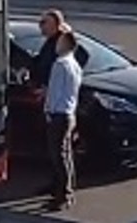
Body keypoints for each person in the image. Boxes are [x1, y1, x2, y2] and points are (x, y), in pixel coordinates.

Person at [45, 29, 83, 211]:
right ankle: (68, 190)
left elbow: (54, 91)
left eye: (59, 41)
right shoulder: (75, 65)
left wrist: (48, 110)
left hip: (58, 114)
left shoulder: (60, 64)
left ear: (66, 44)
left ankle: (62, 194)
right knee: (66, 154)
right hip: (70, 113)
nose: (56, 44)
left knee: (58, 155)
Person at [32, 9, 69, 88]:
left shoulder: (62, 41)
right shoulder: (50, 41)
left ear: (54, 24)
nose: (40, 26)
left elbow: (81, 56)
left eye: (43, 22)